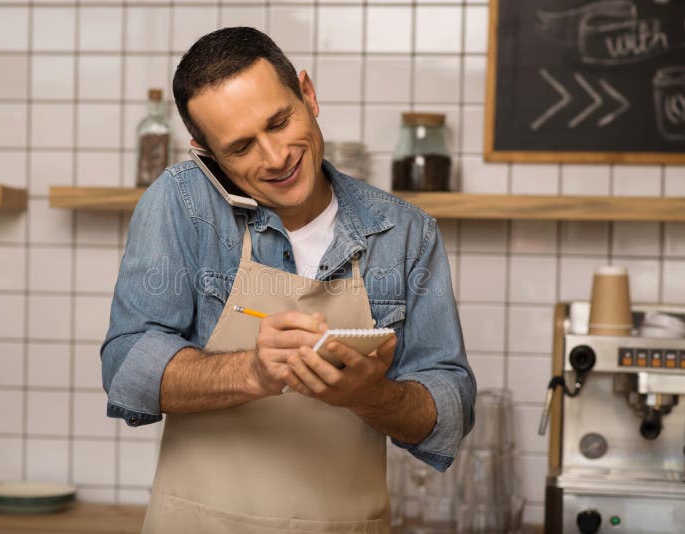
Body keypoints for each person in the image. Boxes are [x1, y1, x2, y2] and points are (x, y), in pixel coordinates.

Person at [101, 26, 475, 534]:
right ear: (205, 150)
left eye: (280, 122)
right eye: (240, 148)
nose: (276, 158)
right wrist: (253, 373)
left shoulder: (405, 231)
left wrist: (370, 396)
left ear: (308, 92)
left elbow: (451, 409)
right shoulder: (181, 205)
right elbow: (126, 369)